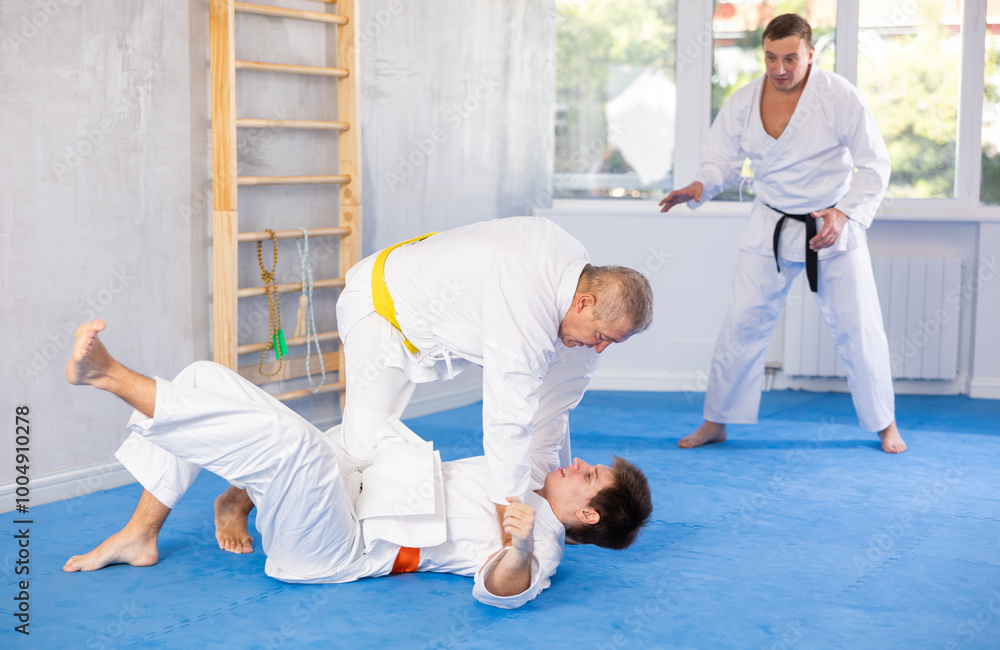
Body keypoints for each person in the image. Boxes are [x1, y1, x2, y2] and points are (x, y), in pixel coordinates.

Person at [63, 320, 653, 609]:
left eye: (590, 475)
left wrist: (519, 550)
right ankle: (143, 533)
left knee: (293, 446)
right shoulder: (524, 476)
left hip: (340, 548)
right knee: (203, 377)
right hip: (349, 494)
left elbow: (500, 592)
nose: (578, 464)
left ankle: (109, 376)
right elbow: (550, 394)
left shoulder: (542, 543)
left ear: (587, 515)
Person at [211, 216, 654, 552]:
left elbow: (552, 411)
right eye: (601, 337)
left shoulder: (581, 300)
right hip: (381, 310)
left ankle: (256, 484)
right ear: (585, 301)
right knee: (363, 448)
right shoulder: (528, 296)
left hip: (440, 324)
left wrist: (559, 517)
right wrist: (511, 528)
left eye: (610, 344)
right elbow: (507, 418)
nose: (598, 350)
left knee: (366, 447)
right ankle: (238, 497)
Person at [658, 14, 906, 454]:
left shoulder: (839, 96)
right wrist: (700, 186)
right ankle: (716, 421)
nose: (780, 69)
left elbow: (874, 165)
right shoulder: (744, 101)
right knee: (741, 326)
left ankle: (885, 424)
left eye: (790, 58)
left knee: (860, 329)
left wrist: (844, 214)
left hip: (832, 225)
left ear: (811, 54)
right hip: (770, 224)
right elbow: (721, 161)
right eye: (771, 58)